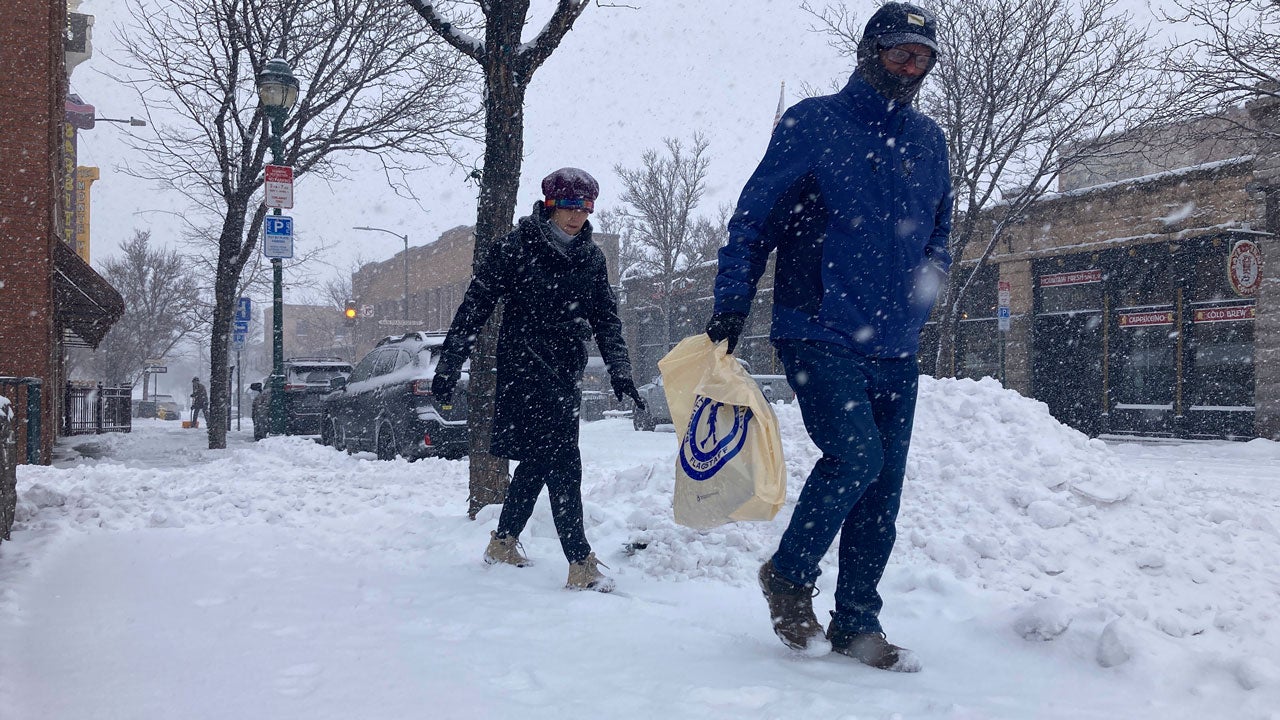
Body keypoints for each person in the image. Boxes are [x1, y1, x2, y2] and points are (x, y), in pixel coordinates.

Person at [705, 2, 952, 671]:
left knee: (883, 489)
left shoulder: (930, 141)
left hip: (895, 342)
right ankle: (788, 574)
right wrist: (733, 301)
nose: (910, 67)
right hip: (818, 327)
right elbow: (753, 220)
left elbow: (940, 235)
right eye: (899, 52)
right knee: (856, 458)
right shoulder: (814, 124)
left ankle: (857, 622)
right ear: (871, 51)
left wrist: (921, 296)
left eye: (921, 57)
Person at [431, 167, 645, 593]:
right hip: (522, 370)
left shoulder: (592, 257)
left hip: (565, 370)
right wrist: (449, 364)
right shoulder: (515, 247)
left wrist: (620, 369)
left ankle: (503, 543)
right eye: (568, 206)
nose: (576, 216)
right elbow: (475, 306)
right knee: (564, 458)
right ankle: (580, 562)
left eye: (585, 207)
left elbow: (606, 318)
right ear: (550, 205)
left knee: (538, 460)